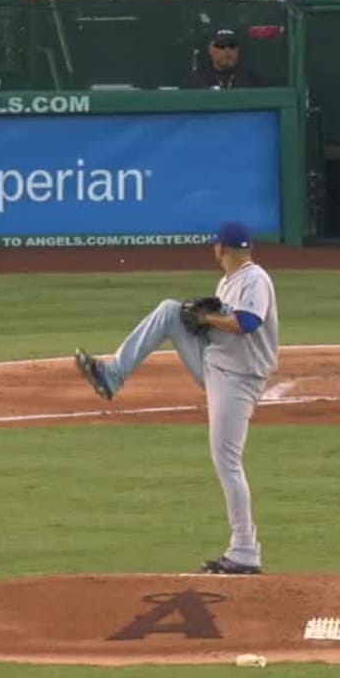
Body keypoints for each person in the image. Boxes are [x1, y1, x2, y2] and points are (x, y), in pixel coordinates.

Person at [75, 220, 279, 576]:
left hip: (237, 380)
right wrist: (203, 319)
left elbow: (247, 323)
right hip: (215, 364)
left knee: (227, 460)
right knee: (170, 310)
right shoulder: (229, 282)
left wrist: (208, 317)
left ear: (221, 249)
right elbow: (224, 322)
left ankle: (245, 550)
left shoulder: (255, 279)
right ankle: (112, 375)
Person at [186, 28, 264, 89]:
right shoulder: (198, 79)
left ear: (238, 50)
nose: (227, 50)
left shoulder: (251, 78)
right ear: (210, 49)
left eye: (232, 45)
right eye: (221, 45)